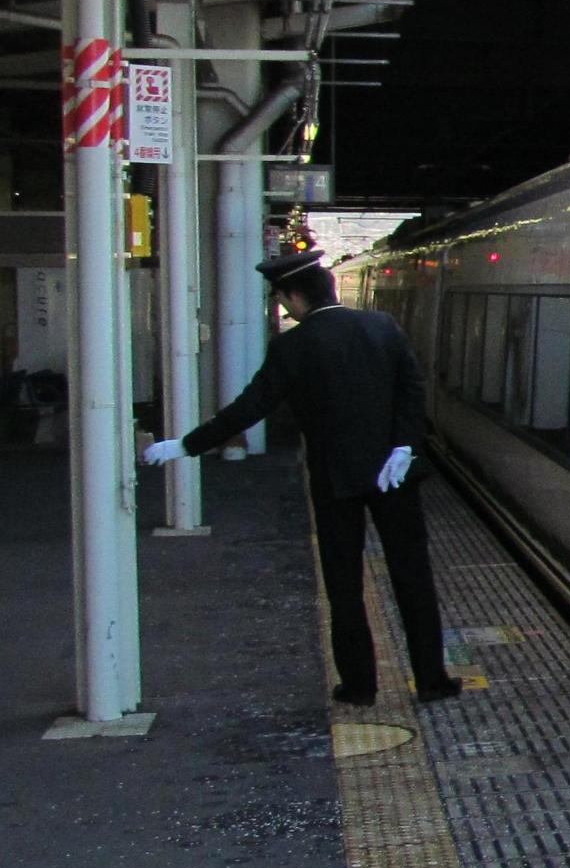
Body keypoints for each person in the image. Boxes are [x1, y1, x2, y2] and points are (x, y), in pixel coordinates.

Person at [142, 249, 463, 707]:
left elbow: (250, 407)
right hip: (396, 476)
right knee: (412, 576)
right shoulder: (382, 327)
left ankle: (359, 686)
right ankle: (432, 680)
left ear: (295, 296)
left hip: (335, 481)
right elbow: (412, 390)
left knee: (345, 583)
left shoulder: (293, 347)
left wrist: (186, 446)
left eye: (282, 298)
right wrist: (405, 446)